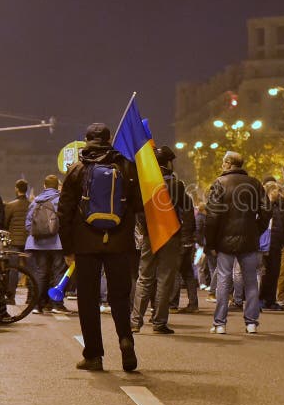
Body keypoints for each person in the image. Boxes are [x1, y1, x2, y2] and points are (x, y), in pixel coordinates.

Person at [57, 123, 142, 372]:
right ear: (109, 140)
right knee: (119, 297)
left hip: (85, 244)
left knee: (88, 300)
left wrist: (68, 248)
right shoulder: (126, 166)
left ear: (86, 140)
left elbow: (64, 212)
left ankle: (94, 355)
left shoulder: (76, 169)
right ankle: (126, 340)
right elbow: (137, 205)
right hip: (119, 244)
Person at [205, 151, 271, 334]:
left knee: (224, 280)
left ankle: (220, 323)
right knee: (250, 280)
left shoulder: (219, 183)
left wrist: (210, 243)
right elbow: (266, 210)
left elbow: (212, 216)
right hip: (249, 239)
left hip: (224, 240)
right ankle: (251, 322)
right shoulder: (255, 184)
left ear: (227, 163)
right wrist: (257, 229)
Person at [131, 145, 195, 334]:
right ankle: (159, 322)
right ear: (168, 163)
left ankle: (135, 322)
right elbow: (187, 210)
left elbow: (138, 211)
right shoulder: (176, 184)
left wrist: (144, 229)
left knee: (144, 278)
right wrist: (186, 236)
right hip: (170, 236)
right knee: (165, 279)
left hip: (150, 236)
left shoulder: (146, 183)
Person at [26, 175, 67, 314]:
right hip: (57, 243)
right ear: (57, 186)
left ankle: (37, 305)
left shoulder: (35, 201)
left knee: (41, 273)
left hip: (37, 243)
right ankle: (57, 304)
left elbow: (28, 224)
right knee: (58, 273)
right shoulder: (61, 200)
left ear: (44, 186)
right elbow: (66, 221)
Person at [259, 180, 284, 311]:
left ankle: (270, 300)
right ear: (271, 192)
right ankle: (259, 298)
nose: (279, 193)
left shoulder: (280, 207)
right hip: (263, 243)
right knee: (262, 273)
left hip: (275, 243)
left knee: (274, 272)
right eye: (277, 190)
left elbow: (283, 227)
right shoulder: (262, 206)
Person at [4, 179, 30, 304]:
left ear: (16, 189)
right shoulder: (31, 205)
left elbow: (5, 223)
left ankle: (11, 297)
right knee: (30, 270)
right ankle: (30, 298)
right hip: (28, 242)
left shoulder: (11, 205)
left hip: (14, 242)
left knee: (13, 269)